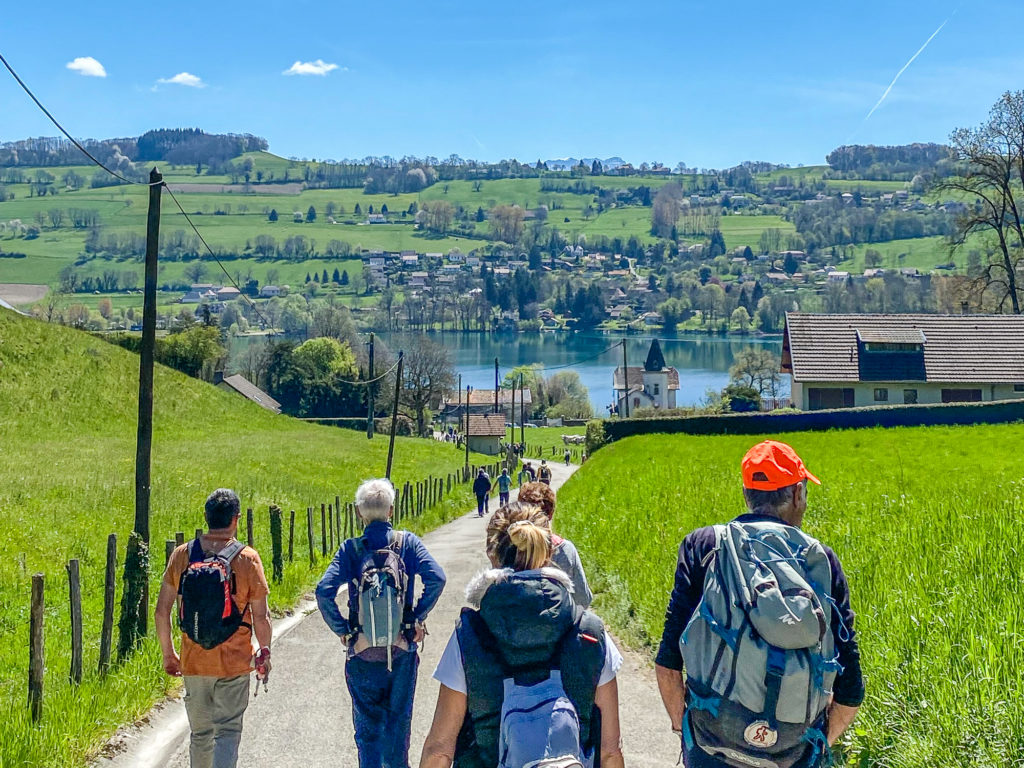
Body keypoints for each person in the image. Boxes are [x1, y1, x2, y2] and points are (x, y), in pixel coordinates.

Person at [655, 441, 864, 768]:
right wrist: (816, 749)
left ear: (746, 494)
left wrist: (687, 733)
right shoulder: (821, 562)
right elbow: (851, 688)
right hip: (792, 752)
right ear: (797, 494)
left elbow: (668, 661)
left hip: (712, 743)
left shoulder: (705, 545)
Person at [420, 502, 625, 768]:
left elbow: (439, 750)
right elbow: (610, 751)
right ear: (549, 551)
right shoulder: (590, 633)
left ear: (492, 555)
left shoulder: (469, 634)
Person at [316, 478, 447, 768]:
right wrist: (416, 617)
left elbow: (323, 592)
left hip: (362, 653)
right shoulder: (407, 543)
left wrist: (344, 631)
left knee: (367, 730)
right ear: (391, 510)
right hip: (401, 651)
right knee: (398, 725)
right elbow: (437, 578)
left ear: (359, 512)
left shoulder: (350, 549)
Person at [155, 489, 272, 768]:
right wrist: (264, 651)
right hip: (235, 662)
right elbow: (261, 616)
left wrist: (169, 654)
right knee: (227, 732)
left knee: (201, 734)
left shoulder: (182, 555)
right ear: (236, 519)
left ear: (206, 517)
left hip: (194, 662)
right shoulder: (247, 558)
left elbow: (161, 611)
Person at [518, 481, 593, 609]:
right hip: (558, 618)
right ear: (551, 513)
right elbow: (583, 599)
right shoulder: (565, 549)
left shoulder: (510, 548)